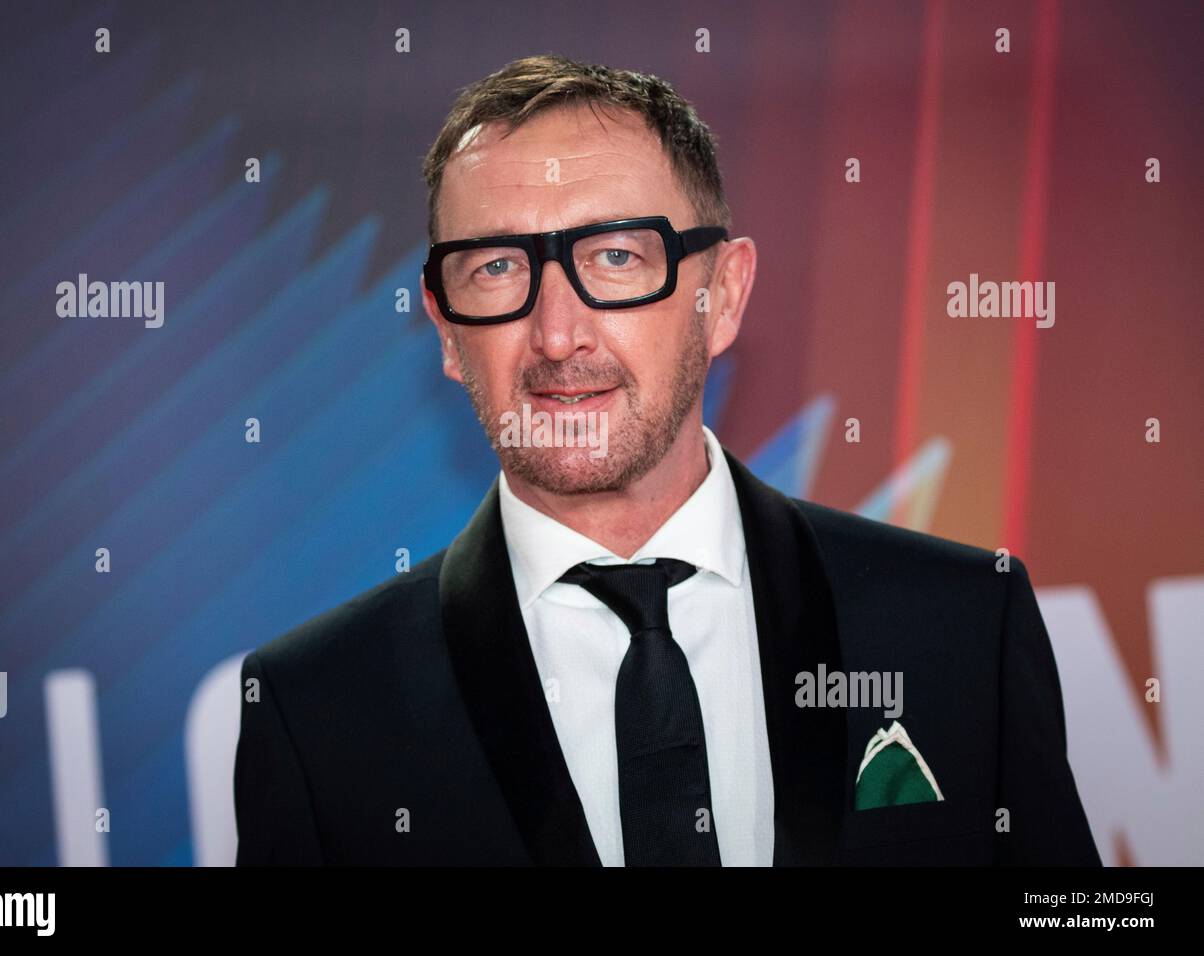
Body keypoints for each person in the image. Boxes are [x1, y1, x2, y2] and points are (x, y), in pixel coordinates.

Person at [233, 53, 1100, 866]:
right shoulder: (318, 712)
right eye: (497, 268)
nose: (559, 334)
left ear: (720, 296)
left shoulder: (960, 626)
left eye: (615, 257)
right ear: (447, 329)